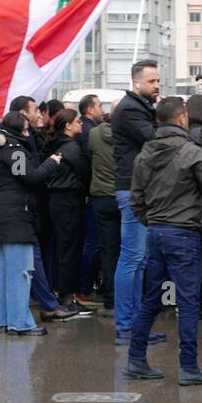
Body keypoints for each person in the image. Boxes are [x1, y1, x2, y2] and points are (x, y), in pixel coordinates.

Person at [126, 97, 202, 385]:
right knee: (188, 301)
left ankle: (136, 359)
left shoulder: (144, 153)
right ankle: (188, 366)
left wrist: (153, 221)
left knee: (151, 298)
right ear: (182, 118)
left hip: (157, 231)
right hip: (183, 233)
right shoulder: (191, 152)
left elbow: (136, 199)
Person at [0, 97, 72, 324]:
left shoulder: (5, 147)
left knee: (13, 267)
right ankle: (19, 320)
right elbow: (29, 177)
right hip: (14, 214)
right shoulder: (14, 150)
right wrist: (52, 162)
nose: (28, 133)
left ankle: (5, 314)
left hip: (10, 212)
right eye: (25, 130)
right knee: (18, 272)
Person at [112, 61, 164, 346]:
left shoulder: (139, 106)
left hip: (138, 188)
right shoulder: (132, 109)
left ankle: (134, 325)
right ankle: (126, 325)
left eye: (158, 81)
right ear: (136, 82)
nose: (157, 86)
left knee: (138, 259)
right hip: (132, 189)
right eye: (152, 81)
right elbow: (154, 138)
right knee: (132, 258)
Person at [37, 108, 93, 316]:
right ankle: (67, 298)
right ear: (68, 126)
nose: (82, 124)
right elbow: (85, 173)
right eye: (78, 121)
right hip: (69, 200)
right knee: (69, 250)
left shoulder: (54, 144)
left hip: (56, 200)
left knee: (60, 249)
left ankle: (60, 293)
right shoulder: (71, 147)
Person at [88, 100, 121, 313]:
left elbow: (89, 156)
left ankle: (110, 298)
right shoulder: (128, 135)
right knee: (130, 251)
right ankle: (128, 299)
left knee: (108, 250)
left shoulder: (94, 134)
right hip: (124, 196)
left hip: (101, 196)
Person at [76, 93, 107, 306]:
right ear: (89, 109)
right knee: (93, 243)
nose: (101, 110)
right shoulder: (89, 132)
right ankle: (84, 289)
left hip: (88, 193)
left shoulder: (87, 130)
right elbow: (88, 164)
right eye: (98, 106)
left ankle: (86, 286)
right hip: (90, 194)